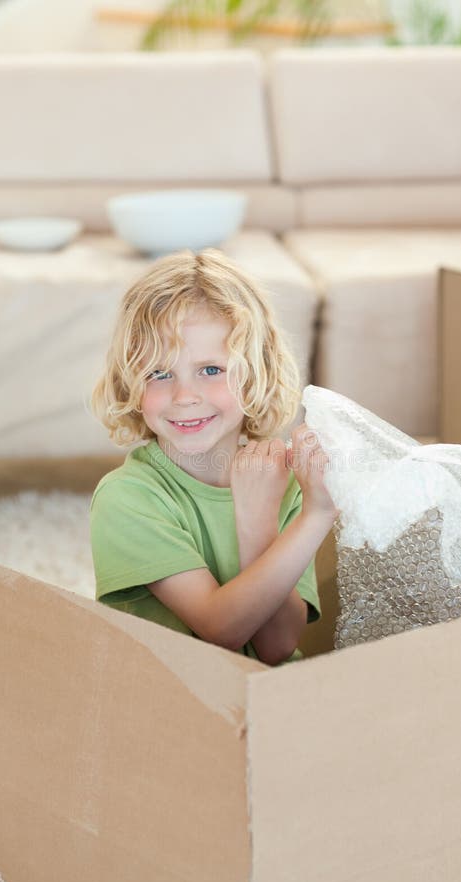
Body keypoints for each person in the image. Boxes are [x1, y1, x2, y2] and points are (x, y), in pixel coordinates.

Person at [90, 248, 337, 665]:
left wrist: (301, 504)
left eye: (210, 370)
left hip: (271, 699)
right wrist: (309, 516)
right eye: (158, 373)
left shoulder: (287, 482)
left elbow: (276, 647)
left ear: (255, 374)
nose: (185, 396)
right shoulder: (125, 498)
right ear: (129, 381)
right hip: (174, 706)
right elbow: (221, 631)